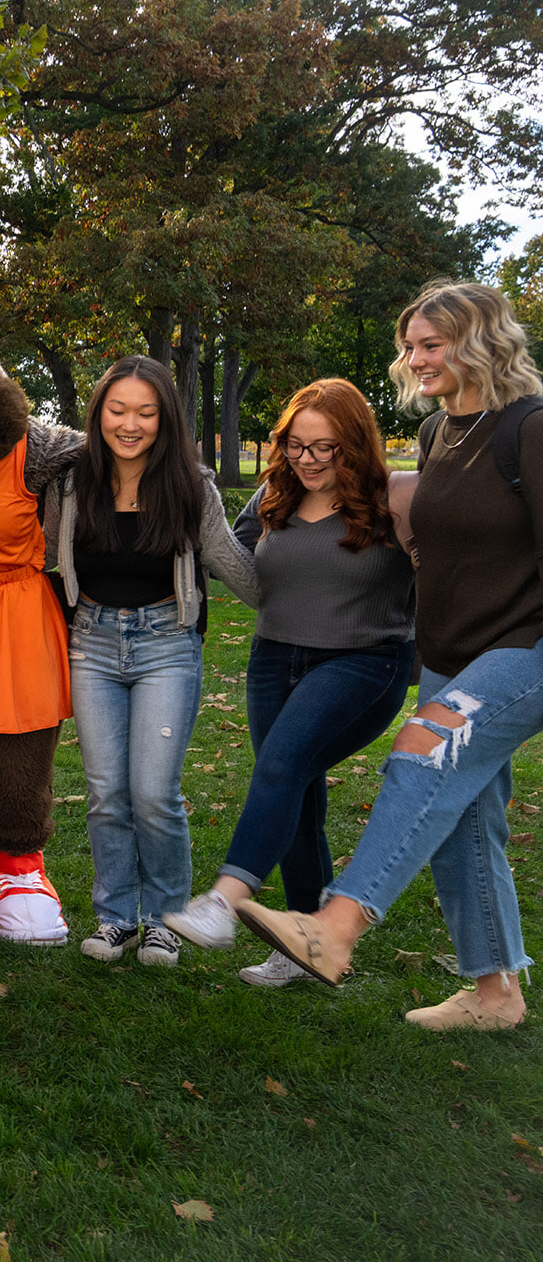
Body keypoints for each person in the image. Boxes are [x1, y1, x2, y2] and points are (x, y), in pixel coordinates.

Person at [239, 281, 543, 1030]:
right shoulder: (443, 433)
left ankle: (332, 929)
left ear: (482, 339)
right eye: (411, 345)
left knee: (420, 755)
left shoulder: (529, 427)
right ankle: (495, 994)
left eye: (431, 343)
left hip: (525, 647)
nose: (416, 358)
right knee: (464, 820)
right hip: (452, 653)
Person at [163, 380, 415, 986]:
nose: (308, 459)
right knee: (296, 796)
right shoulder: (274, 496)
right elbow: (237, 563)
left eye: (325, 447)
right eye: (296, 445)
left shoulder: (392, 500)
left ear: (355, 443)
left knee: (279, 766)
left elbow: (444, 575)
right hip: (276, 658)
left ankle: (225, 899)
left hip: (365, 662)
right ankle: (305, 942)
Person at [45, 356, 257, 968]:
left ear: (165, 419)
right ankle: (116, 918)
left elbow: (232, 562)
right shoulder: (72, 481)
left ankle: (166, 918)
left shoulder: (191, 485)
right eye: (117, 410)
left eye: (145, 412)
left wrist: (303, 610)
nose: (130, 424)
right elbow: (38, 550)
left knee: (153, 792)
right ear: (98, 414)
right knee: (108, 791)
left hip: (167, 643)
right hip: (92, 642)